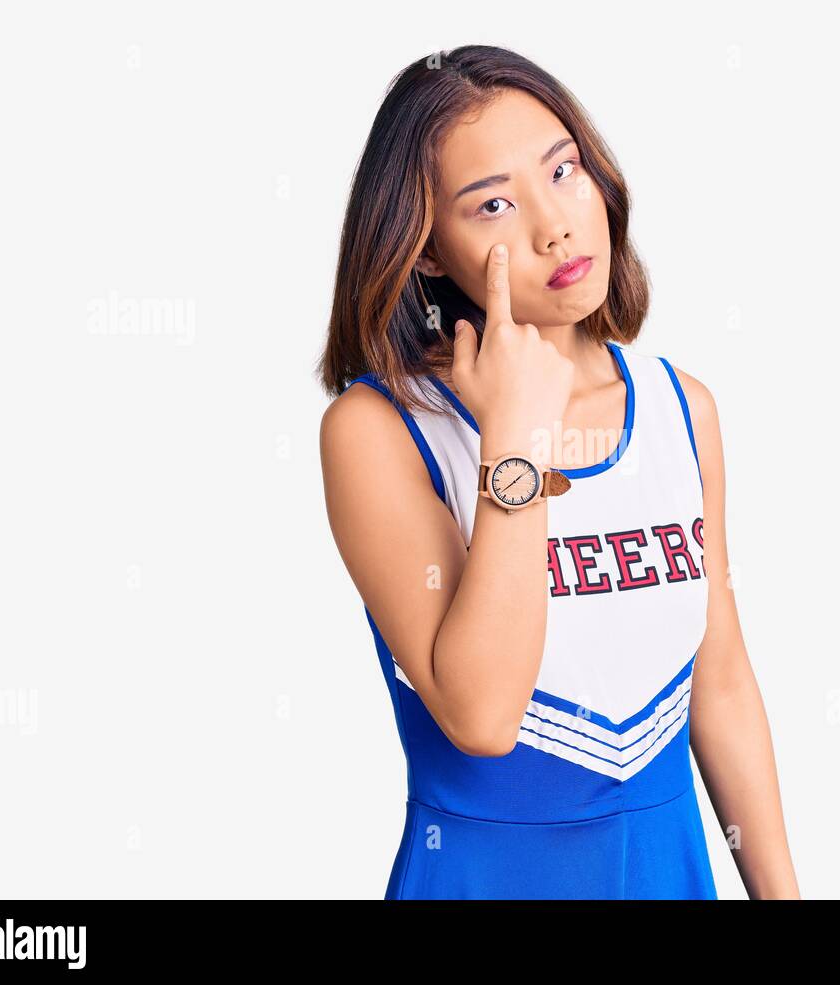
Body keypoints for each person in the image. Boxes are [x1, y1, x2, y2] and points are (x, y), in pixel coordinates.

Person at [318, 44, 799, 899]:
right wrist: (515, 441)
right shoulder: (379, 429)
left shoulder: (683, 410)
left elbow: (719, 685)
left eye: (564, 170)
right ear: (428, 252)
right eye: (494, 203)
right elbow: (482, 713)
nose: (554, 226)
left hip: (666, 869)